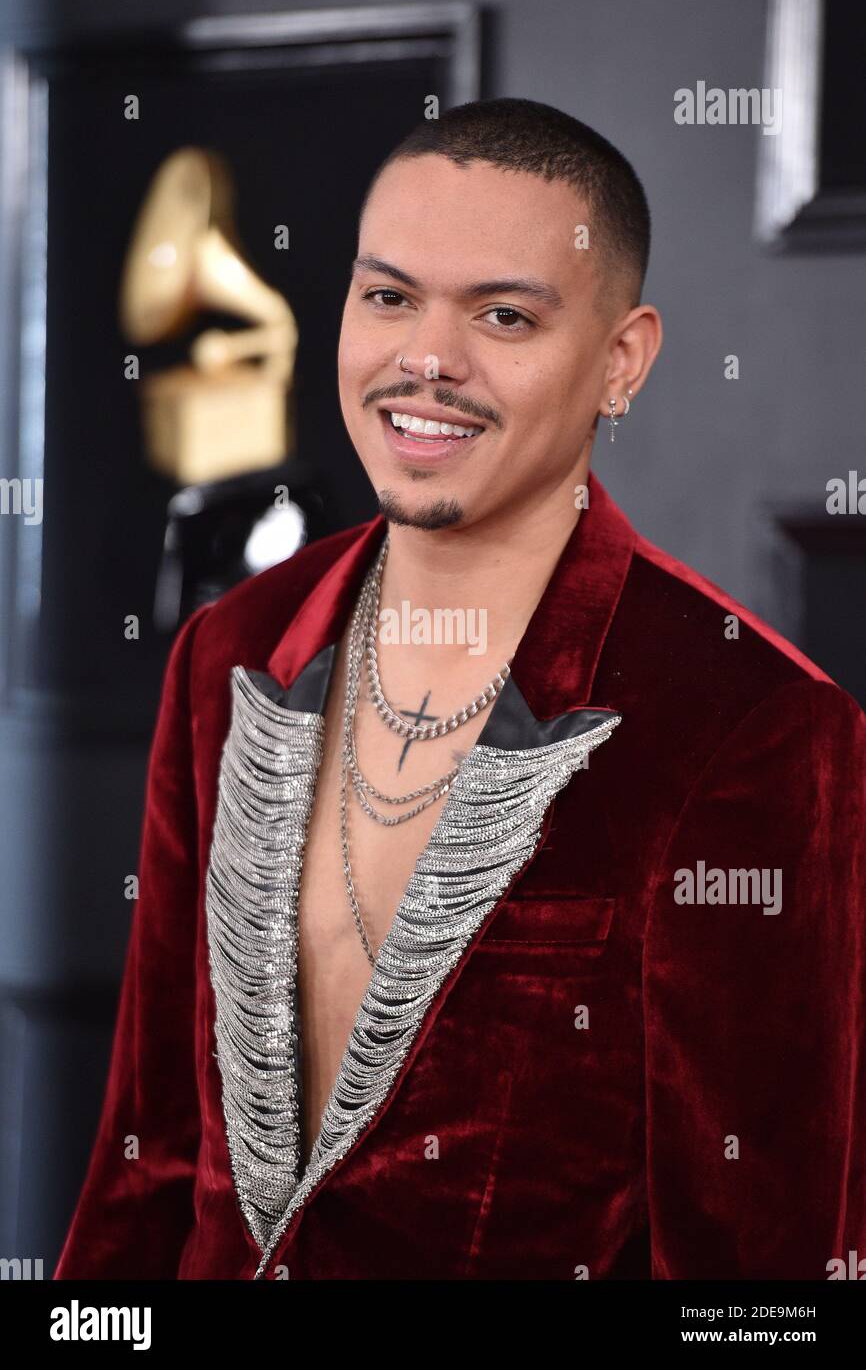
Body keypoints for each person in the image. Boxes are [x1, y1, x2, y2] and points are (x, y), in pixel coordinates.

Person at [55, 98, 866, 1281]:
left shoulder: (755, 726)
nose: (425, 358)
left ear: (620, 361)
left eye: (500, 313)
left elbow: (763, 1272)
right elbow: (146, 1170)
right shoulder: (234, 647)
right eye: (387, 297)